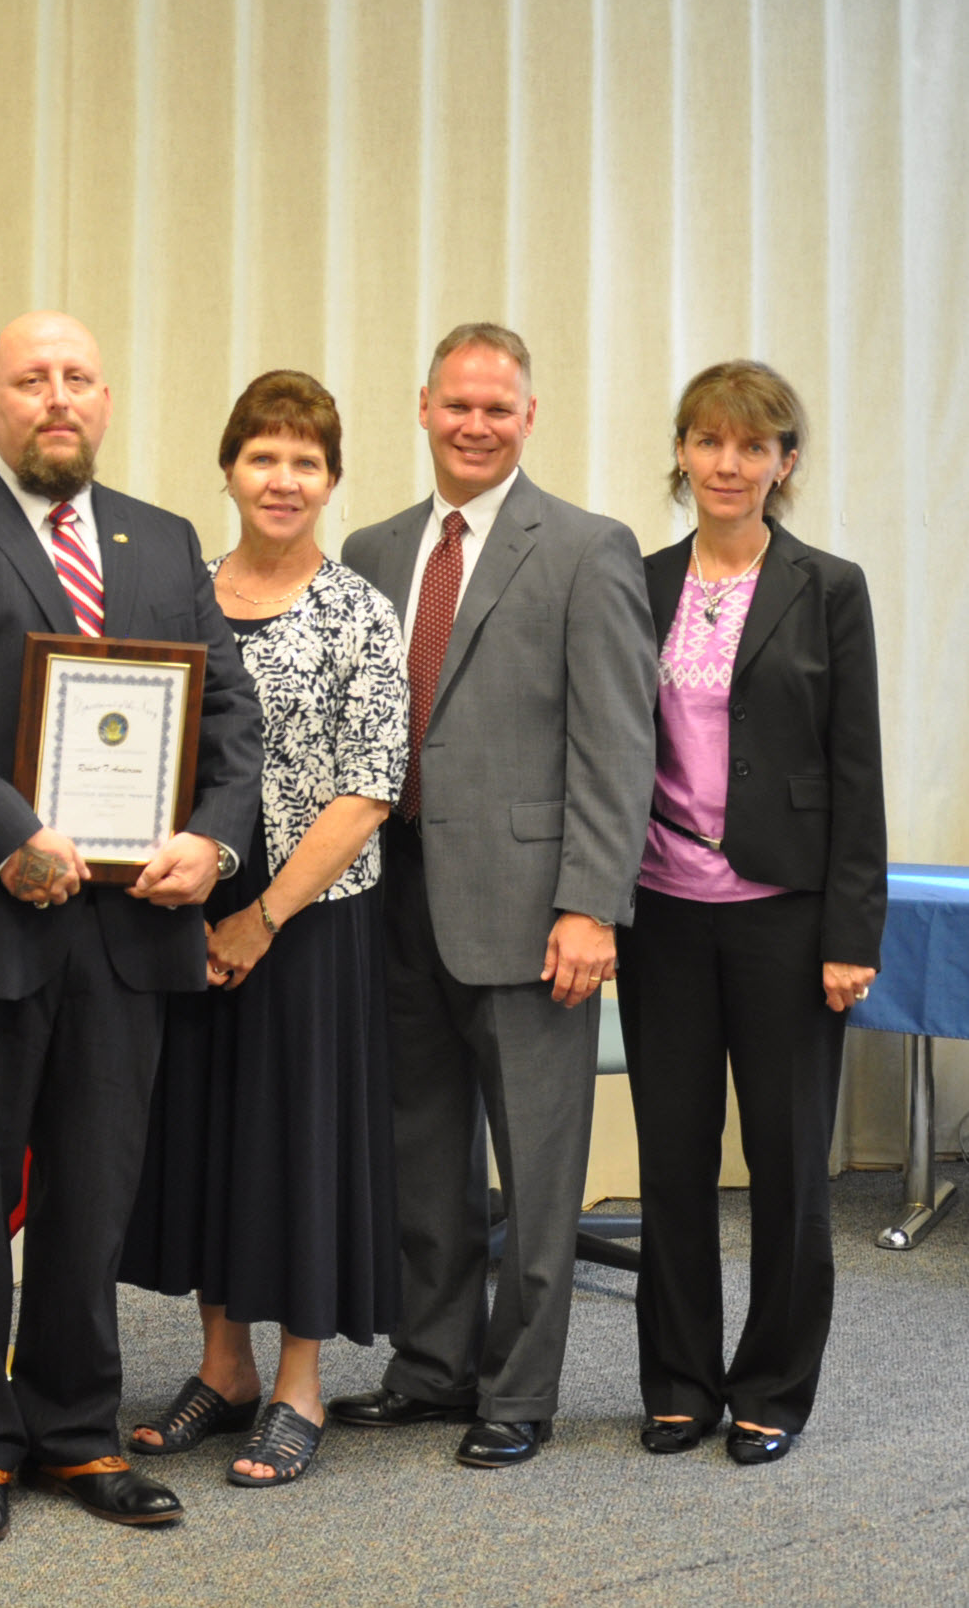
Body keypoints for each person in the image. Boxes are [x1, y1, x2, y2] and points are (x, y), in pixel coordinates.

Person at [0, 310, 262, 1543]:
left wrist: (216, 837)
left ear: (106, 398)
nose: (58, 397)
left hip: (128, 930)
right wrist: (7, 835)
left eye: (79, 376)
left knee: (93, 1196)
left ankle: (76, 1432)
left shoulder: (163, 538)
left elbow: (228, 718)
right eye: (32, 378)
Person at [331, 322, 654, 1469]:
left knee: (538, 1157)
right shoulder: (369, 548)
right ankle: (431, 1366)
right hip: (393, 896)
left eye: (497, 408)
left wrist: (591, 904)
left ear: (529, 417)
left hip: (532, 911)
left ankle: (518, 1389)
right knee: (424, 1156)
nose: (475, 424)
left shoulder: (584, 546)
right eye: (456, 403)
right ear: (422, 405)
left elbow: (618, 744)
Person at [120, 372, 408, 1489]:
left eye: (305, 461)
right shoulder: (179, 593)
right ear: (229, 468)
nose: (282, 480)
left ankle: (297, 1382)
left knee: (297, 1145)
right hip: (184, 915)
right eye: (263, 457)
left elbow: (369, 786)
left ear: (331, 480)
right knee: (206, 1138)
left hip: (310, 925)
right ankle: (221, 1366)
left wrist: (263, 914)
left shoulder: (356, 610)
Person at [617, 361, 884, 1468]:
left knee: (783, 1167)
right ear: (681, 453)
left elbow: (855, 768)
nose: (727, 461)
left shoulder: (828, 585)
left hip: (784, 918)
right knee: (672, 1161)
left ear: (784, 463)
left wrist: (848, 935)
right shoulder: (634, 580)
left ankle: (773, 1385)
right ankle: (680, 1381)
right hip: (662, 914)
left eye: (752, 443)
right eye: (706, 439)